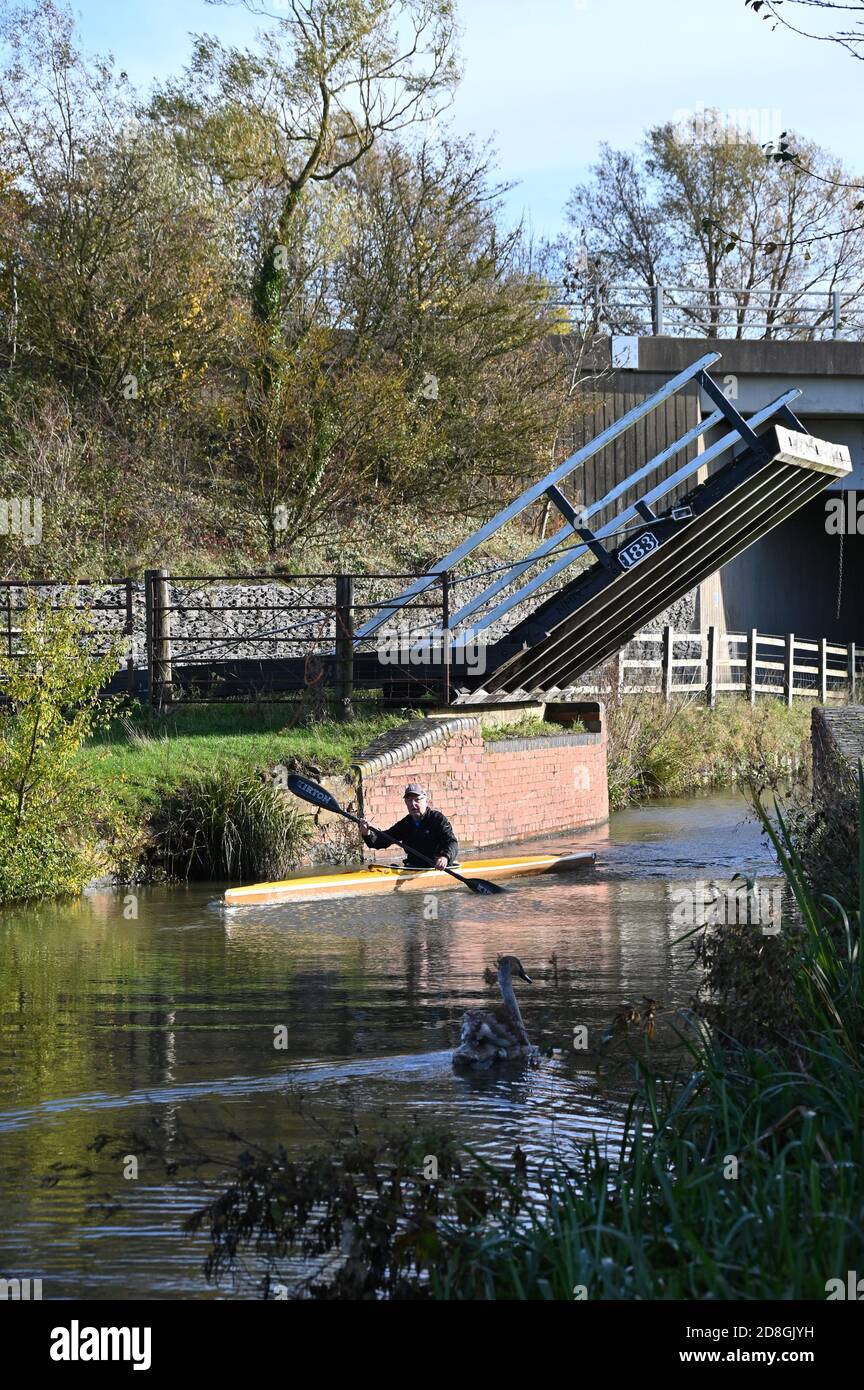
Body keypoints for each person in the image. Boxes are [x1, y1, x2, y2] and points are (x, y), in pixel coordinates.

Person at [359, 783, 458, 870]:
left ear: (426, 800)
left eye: (417, 800)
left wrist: (445, 857)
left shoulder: (437, 819)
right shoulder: (406, 823)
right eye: (409, 800)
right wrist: (366, 833)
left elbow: (451, 842)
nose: (413, 804)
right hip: (413, 867)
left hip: (436, 867)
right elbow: (383, 839)